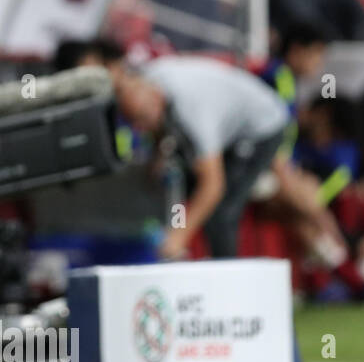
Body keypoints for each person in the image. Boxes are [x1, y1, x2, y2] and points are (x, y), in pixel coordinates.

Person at [115, 56, 289, 259]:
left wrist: (179, 236)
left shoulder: (192, 115)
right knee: (181, 183)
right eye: (132, 121)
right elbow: (154, 120)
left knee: (221, 212)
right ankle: (180, 243)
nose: (139, 129)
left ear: (157, 99)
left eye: (142, 120)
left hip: (262, 126)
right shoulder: (147, 79)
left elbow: (213, 186)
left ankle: (226, 276)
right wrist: (157, 155)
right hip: (223, 122)